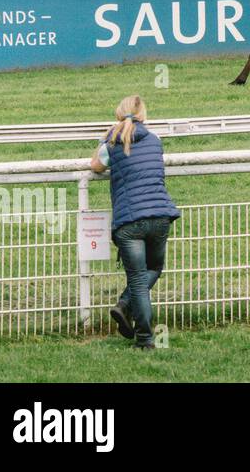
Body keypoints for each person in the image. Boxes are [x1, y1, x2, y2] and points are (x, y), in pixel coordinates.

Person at [89, 95, 181, 351]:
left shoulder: (111, 142)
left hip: (129, 221)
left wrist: (103, 138)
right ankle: (124, 305)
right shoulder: (155, 139)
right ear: (143, 116)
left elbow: (95, 166)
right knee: (154, 269)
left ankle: (143, 336)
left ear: (119, 115)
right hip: (160, 214)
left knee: (138, 279)